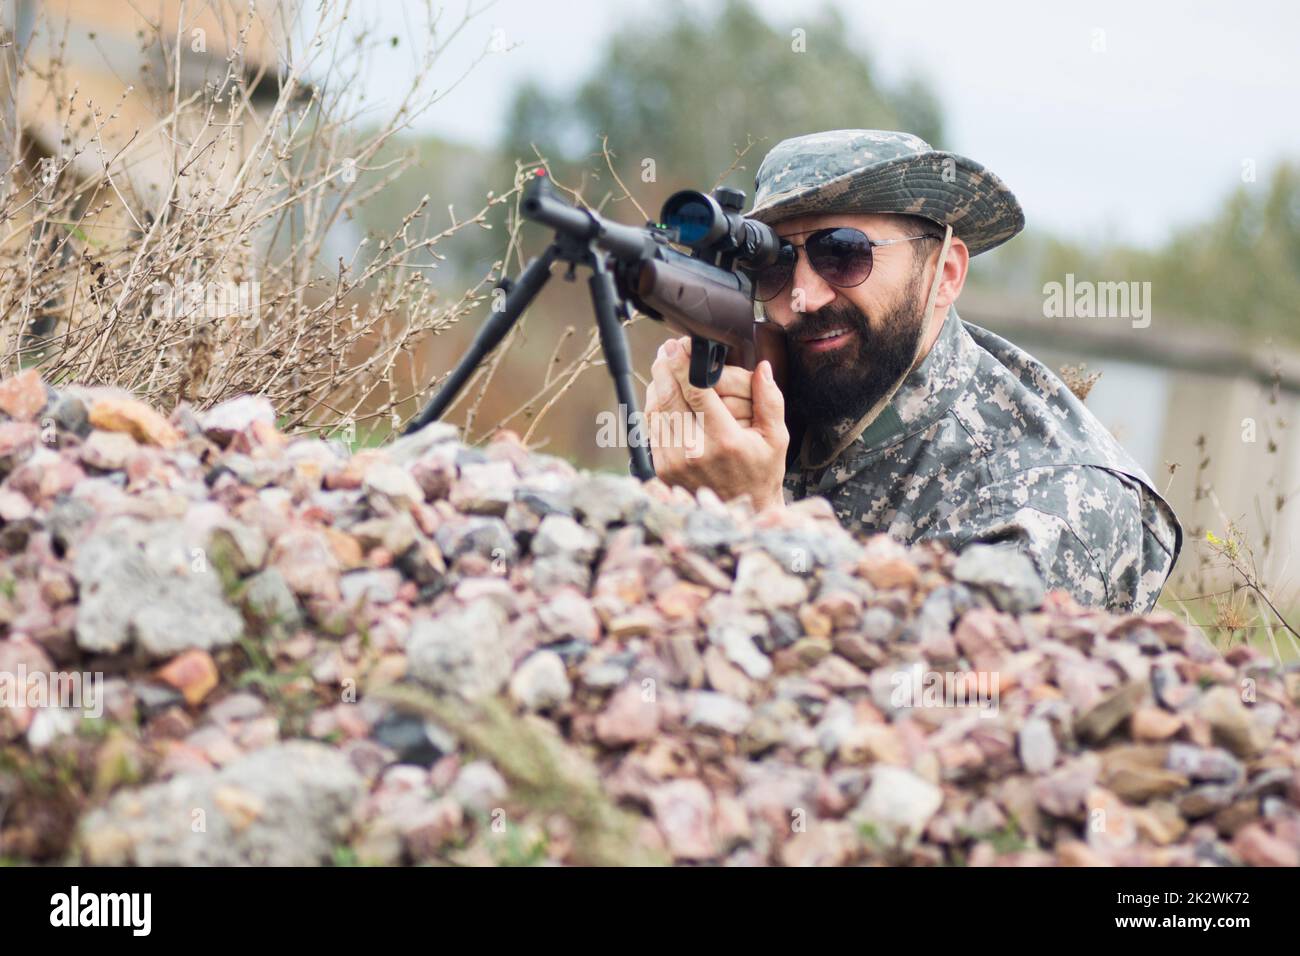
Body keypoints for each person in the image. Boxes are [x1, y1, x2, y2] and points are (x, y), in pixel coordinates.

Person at [644, 129, 1182, 613]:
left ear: (944, 275)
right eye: (777, 264)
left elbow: (926, 701)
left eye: (843, 254)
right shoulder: (790, 395)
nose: (803, 297)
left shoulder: (1050, 501)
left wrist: (753, 515)